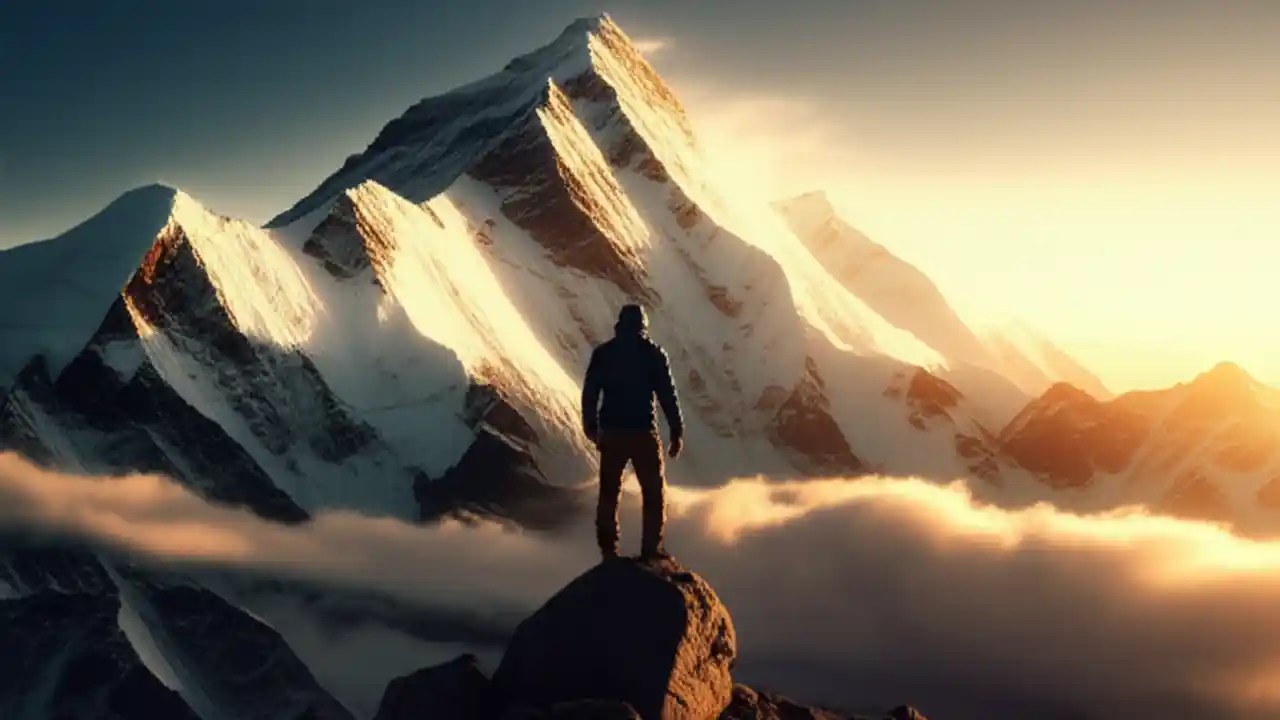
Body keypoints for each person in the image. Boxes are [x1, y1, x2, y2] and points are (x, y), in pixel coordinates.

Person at [581, 304, 684, 561]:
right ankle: (651, 549)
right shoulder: (653, 354)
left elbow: (590, 393)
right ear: (643, 326)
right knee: (653, 492)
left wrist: (591, 426)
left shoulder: (604, 354)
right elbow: (667, 395)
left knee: (609, 493)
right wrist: (676, 431)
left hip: (612, 433)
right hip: (643, 433)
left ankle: (608, 551)